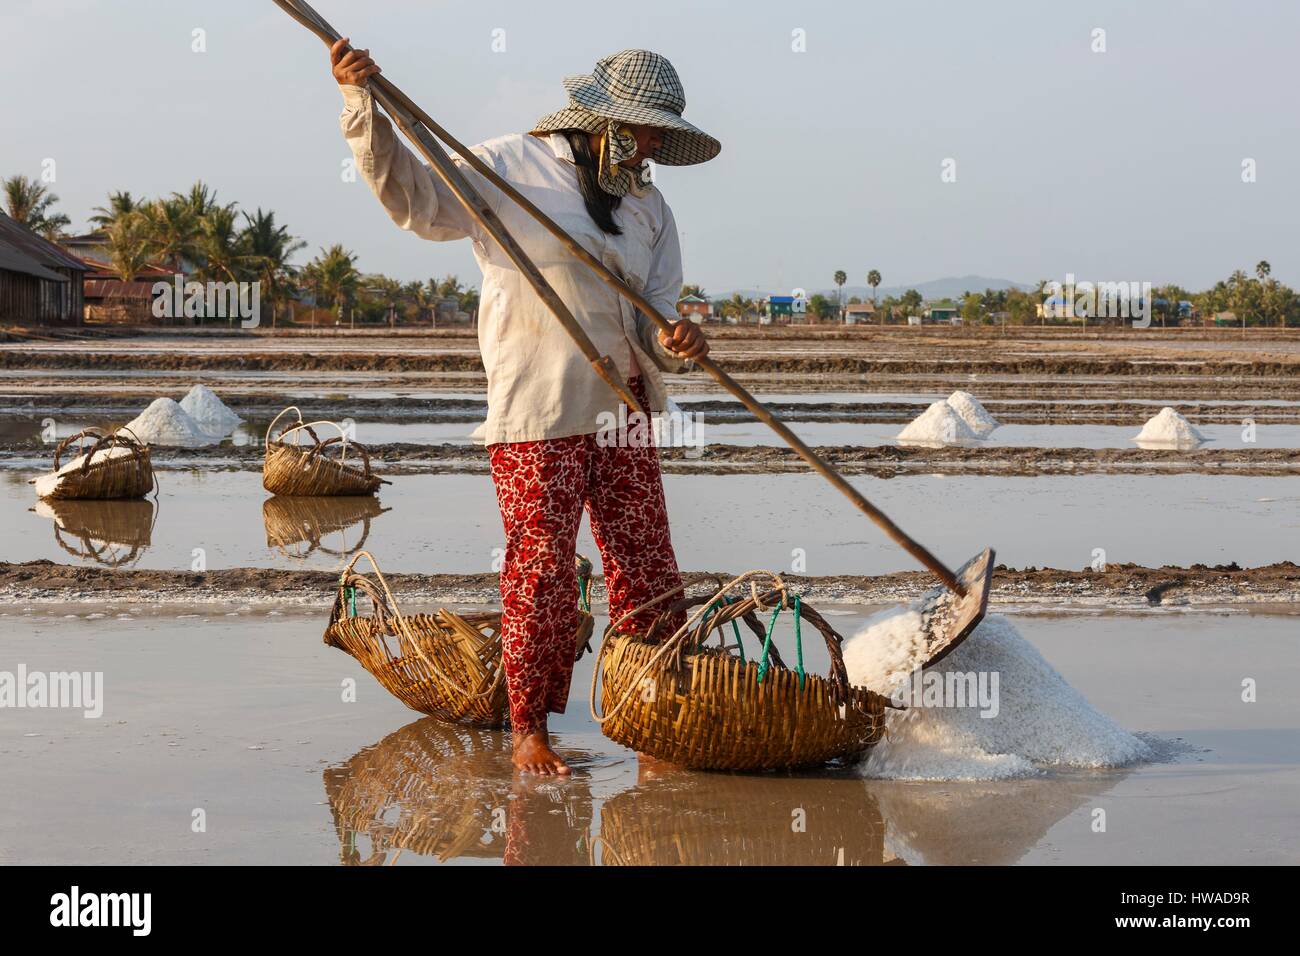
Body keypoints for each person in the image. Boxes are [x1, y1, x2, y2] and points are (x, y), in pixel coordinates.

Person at [331, 42, 719, 774]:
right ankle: (531, 727)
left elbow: (656, 321)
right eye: (643, 130)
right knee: (541, 568)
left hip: (622, 407)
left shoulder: (649, 206)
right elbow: (413, 200)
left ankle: (653, 708)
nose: (654, 145)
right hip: (538, 408)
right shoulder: (511, 166)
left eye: (660, 134)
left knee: (647, 565)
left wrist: (679, 340)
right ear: (603, 121)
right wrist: (365, 108)